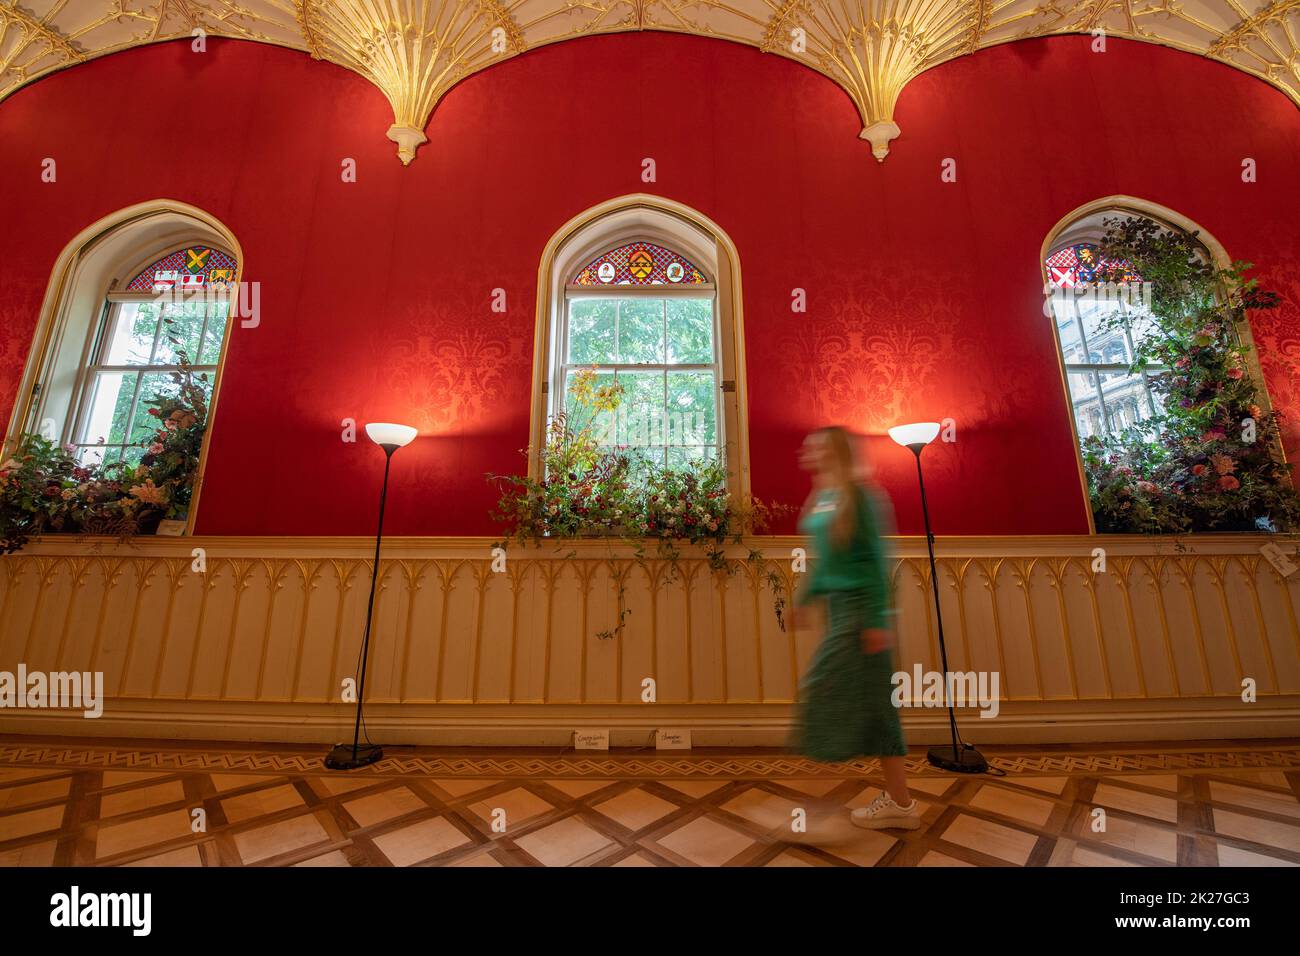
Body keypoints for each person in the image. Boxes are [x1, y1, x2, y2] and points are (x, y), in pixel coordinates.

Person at [790, 425, 920, 831]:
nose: (807, 451)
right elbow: (827, 562)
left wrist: (880, 621)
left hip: (863, 615)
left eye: (816, 446)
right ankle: (901, 804)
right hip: (840, 612)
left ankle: (823, 815)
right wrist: (806, 601)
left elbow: (877, 561)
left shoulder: (862, 496)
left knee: (823, 688)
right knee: (878, 708)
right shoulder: (825, 497)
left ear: (835, 452)